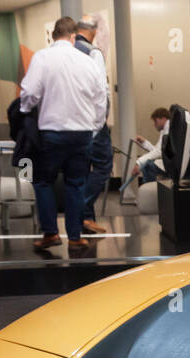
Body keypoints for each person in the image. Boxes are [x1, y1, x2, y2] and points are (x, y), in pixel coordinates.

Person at [20, 16, 106, 251]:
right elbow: (101, 98)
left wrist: (26, 111)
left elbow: (29, 92)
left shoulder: (42, 57)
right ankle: (76, 237)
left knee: (43, 181)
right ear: (72, 37)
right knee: (76, 184)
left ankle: (50, 234)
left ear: (53, 36)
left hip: (52, 133)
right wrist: (95, 127)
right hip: (82, 134)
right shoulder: (87, 61)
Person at [73, 17, 112, 235]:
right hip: (92, 123)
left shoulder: (67, 51)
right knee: (103, 165)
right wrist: (100, 123)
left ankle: (86, 217)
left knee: (80, 169)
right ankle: (83, 210)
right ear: (94, 31)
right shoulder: (93, 52)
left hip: (71, 122)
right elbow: (101, 90)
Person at [133, 107, 171, 183]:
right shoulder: (166, 129)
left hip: (172, 165)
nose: (154, 125)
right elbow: (157, 150)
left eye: (155, 121)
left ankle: (149, 191)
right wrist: (144, 143)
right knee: (148, 163)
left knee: (147, 165)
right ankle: (150, 190)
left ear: (163, 119)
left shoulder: (168, 127)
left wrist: (139, 162)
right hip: (170, 163)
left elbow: (159, 152)